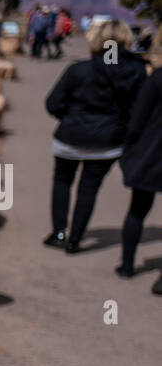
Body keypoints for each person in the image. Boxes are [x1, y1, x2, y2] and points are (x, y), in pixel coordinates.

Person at [43, 19, 147, 252]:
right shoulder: (136, 73)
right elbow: (138, 111)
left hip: (70, 138)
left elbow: (53, 104)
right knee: (88, 189)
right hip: (107, 143)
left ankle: (59, 232)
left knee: (62, 182)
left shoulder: (78, 70)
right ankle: (75, 240)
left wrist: (70, 118)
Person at [116, 65, 162, 286]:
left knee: (138, 209)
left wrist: (128, 147)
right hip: (153, 155)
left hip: (152, 154)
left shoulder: (158, 78)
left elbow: (138, 118)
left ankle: (127, 265)